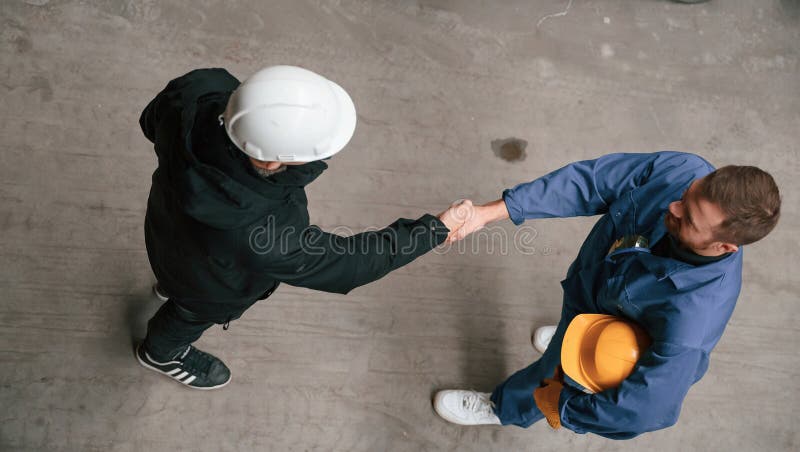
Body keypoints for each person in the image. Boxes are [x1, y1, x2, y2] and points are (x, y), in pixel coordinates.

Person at [136, 65, 466, 389]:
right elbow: (350, 263)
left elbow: (150, 122)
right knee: (188, 314)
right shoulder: (266, 235)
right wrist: (434, 229)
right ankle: (161, 354)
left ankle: (171, 284)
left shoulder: (200, 88)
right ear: (269, 161)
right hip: (209, 285)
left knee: (177, 274)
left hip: (165, 228)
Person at [433, 152, 780, 438]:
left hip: (612, 335)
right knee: (566, 339)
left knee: (552, 374)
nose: (673, 207)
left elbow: (642, 411)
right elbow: (591, 182)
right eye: (687, 194)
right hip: (590, 289)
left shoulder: (692, 321)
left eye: (688, 218)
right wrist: (490, 213)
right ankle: (570, 337)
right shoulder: (683, 170)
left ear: (724, 247)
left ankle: (506, 407)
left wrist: (562, 404)